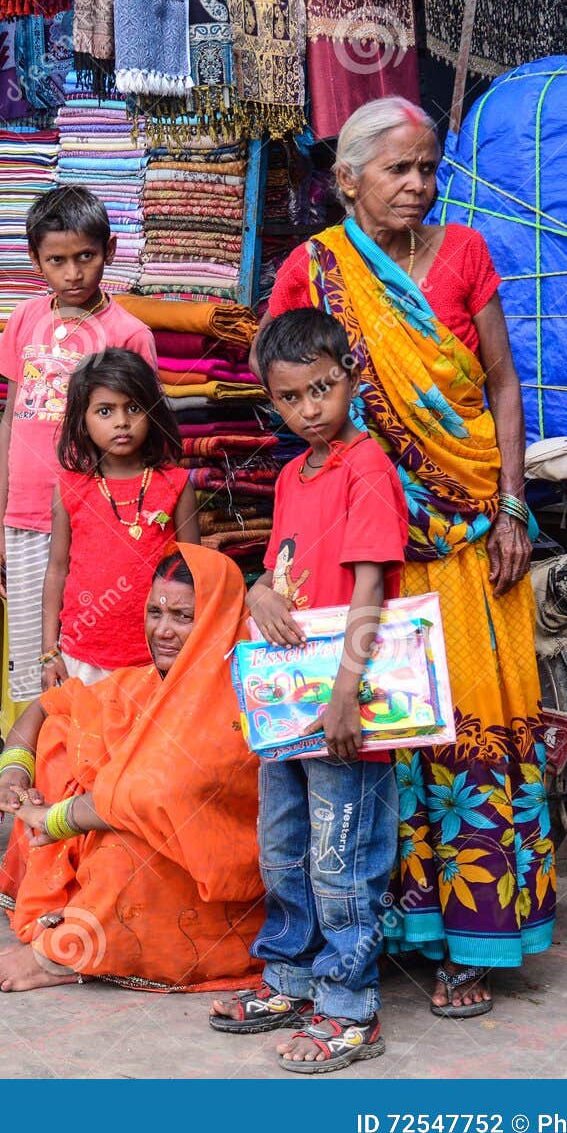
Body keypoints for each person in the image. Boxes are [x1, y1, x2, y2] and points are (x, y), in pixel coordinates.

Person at [262, 95, 553, 1018]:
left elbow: (502, 385)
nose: (419, 186)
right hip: (365, 552)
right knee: (384, 740)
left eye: (429, 168)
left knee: (472, 732)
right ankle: (382, 938)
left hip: (471, 541)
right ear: (347, 181)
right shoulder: (313, 270)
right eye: (399, 169)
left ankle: (474, 943)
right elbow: (292, 406)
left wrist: (511, 505)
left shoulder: (465, 254)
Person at [208, 308, 406, 1074]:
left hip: (336, 699)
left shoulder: (366, 467)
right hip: (287, 697)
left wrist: (347, 694)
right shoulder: (294, 475)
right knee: (283, 848)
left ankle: (351, 1008)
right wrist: (258, 591)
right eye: (290, 398)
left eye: (323, 389)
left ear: (351, 377)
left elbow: (367, 591)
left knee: (341, 854)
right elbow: (284, 573)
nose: (309, 409)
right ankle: (290, 978)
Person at [0, 544, 263, 992]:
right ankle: (67, 909)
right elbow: (45, 708)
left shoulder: (235, 703)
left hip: (205, 877)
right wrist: (14, 770)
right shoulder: (142, 683)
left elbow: (150, 798)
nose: (163, 631)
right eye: (155, 613)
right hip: (131, 826)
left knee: (127, 846)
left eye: (183, 617)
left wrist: (54, 818)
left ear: (217, 619)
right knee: (61, 741)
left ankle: (62, 955)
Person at [0, 186, 156, 706]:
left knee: (89, 655)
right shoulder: (25, 320)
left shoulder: (129, 333)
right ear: (35, 259)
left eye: (85, 256)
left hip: (93, 521)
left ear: (108, 249)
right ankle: (31, 774)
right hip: (26, 516)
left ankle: (89, 772)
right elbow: (10, 424)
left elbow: (144, 442)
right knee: (31, 666)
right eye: (57, 260)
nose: (73, 273)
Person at [41, 348, 198, 688]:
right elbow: (57, 569)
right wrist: (48, 651)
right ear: (81, 420)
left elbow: (197, 573)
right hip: (82, 654)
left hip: (156, 655)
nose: (122, 422)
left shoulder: (174, 484)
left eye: (134, 408)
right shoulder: (71, 486)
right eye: (105, 411)